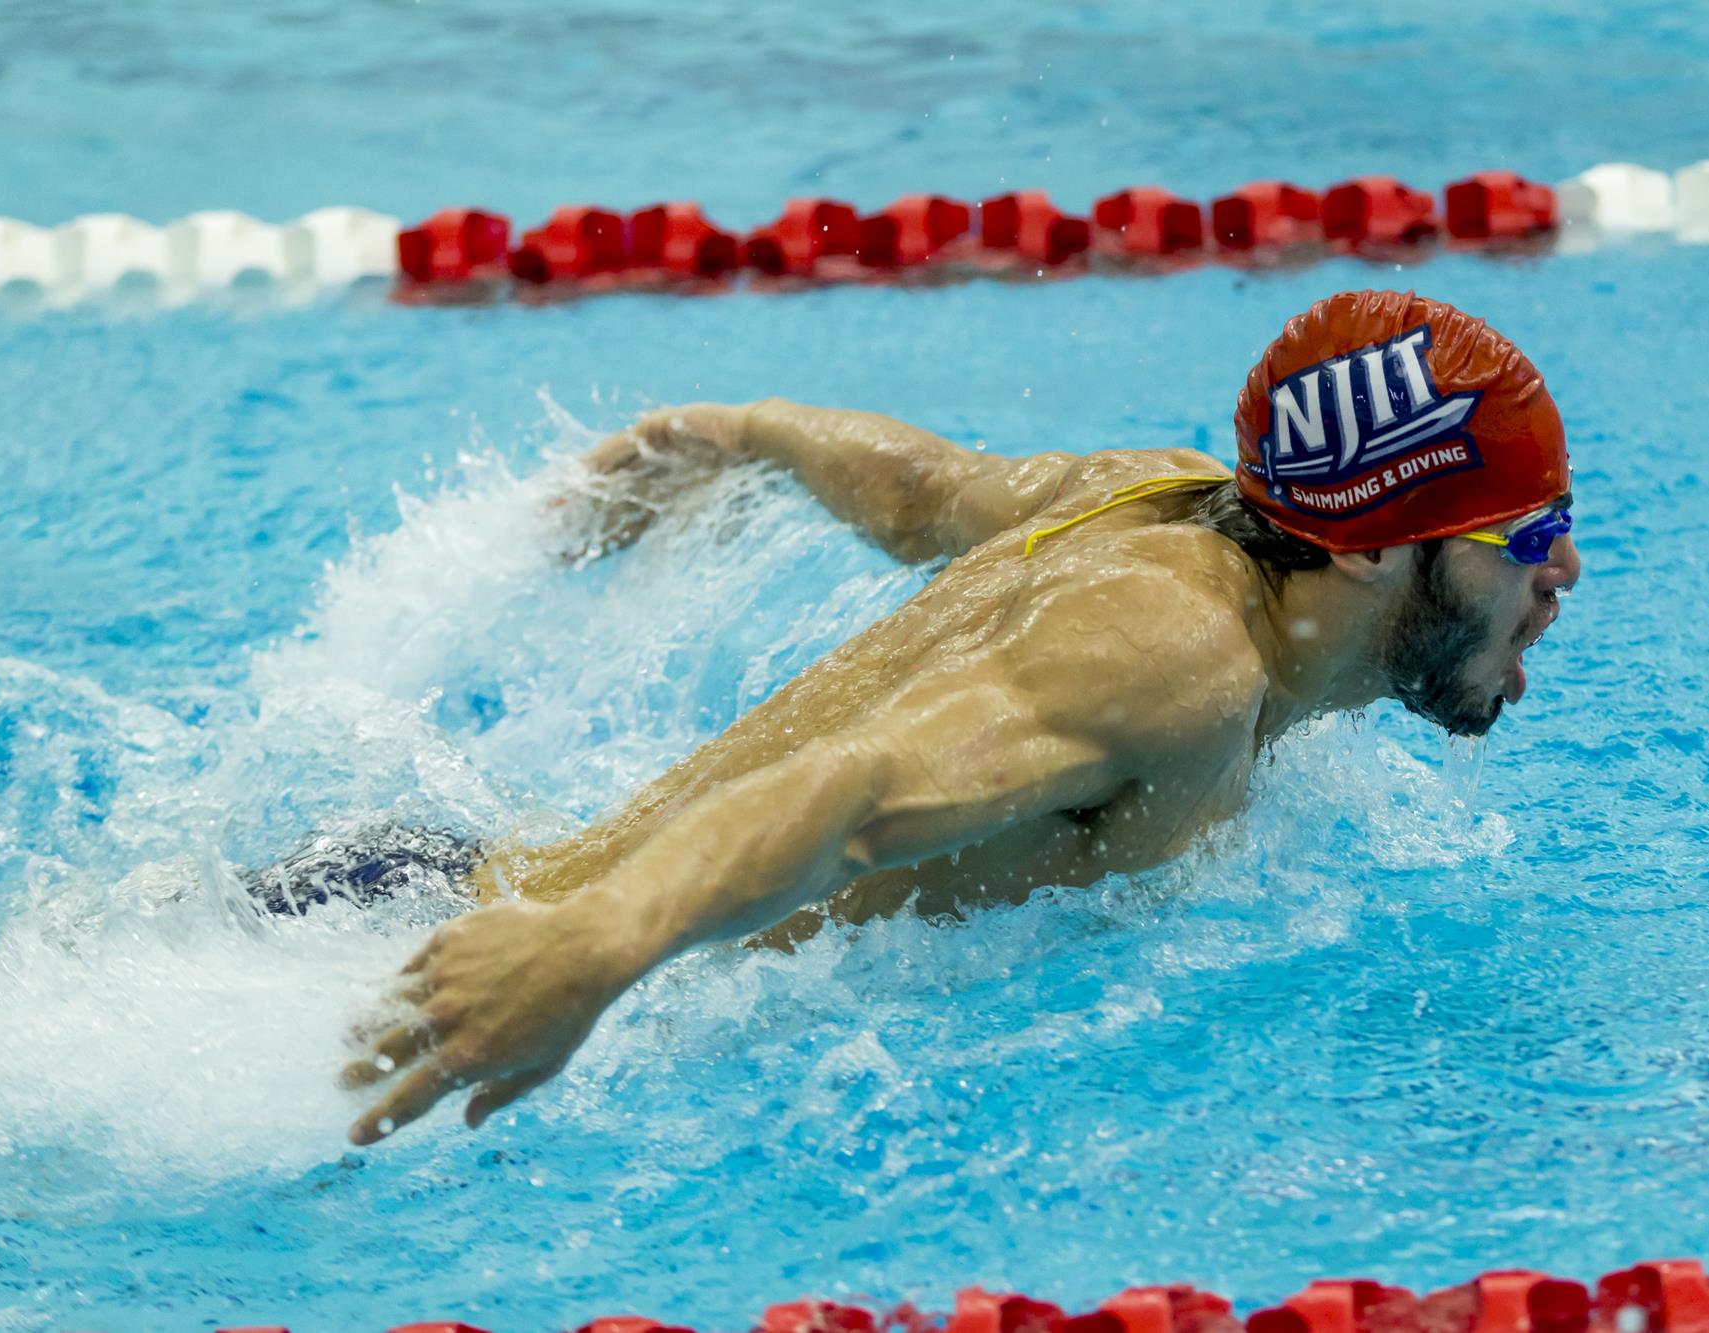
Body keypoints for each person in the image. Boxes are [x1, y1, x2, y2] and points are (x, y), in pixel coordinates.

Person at [339, 289, 1580, 1146]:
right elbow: (858, 792)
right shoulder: (1173, 656)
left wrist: (728, 434)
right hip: (446, 982)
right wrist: (591, 948)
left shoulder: (1163, 492)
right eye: (1523, 532)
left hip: (437, 891)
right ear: (1360, 546)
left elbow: (921, 490)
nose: (1561, 569)